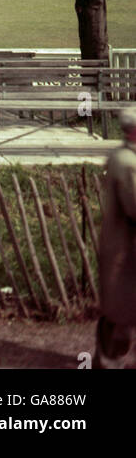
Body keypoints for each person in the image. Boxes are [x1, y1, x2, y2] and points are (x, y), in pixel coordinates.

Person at [96, 107, 136, 369]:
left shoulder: (120, 156)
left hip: (121, 246)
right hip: (125, 250)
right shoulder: (127, 162)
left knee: (121, 308)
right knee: (121, 309)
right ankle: (108, 361)